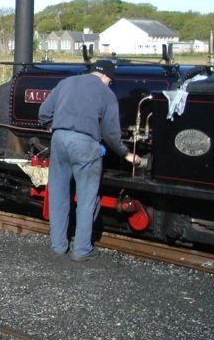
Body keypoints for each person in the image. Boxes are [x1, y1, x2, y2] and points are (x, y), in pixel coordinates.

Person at [37, 59, 141, 261]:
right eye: (110, 81)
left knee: (58, 194)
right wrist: (126, 154)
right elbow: (111, 134)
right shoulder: (106, 93)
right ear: (106, 77)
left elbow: (44, 113)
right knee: (87, 197)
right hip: (85, 144)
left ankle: (58, 246)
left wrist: (55, 128)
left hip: (59, 139)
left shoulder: (66, 82)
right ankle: (82, 250)